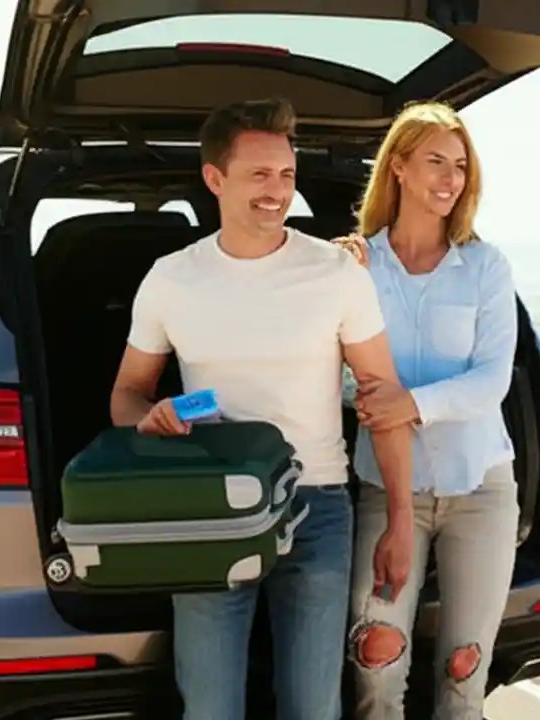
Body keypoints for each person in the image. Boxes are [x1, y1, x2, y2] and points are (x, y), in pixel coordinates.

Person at [108, 97, 416, 720]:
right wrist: (148, 417)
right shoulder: (171, 279)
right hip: (209, 509)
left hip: (316, 506)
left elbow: (383, 397)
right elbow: (126, 394)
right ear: (214, 178)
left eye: (286, 175)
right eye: (259, 175)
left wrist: (401, 519)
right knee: (210, 709)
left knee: (313, 709)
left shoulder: (336, 272)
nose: (277, 191)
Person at [335, 101, 521, 720]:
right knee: (376, 665)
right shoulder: (356, 266)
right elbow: (338, 377)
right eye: (436, 161)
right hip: (388, 492)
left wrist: (409, 404)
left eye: (460, 166)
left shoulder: (485, 267)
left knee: (463, 673)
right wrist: (368, 396)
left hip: (482, 491)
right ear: (399, 166)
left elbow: (492, 381)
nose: (450, 179)